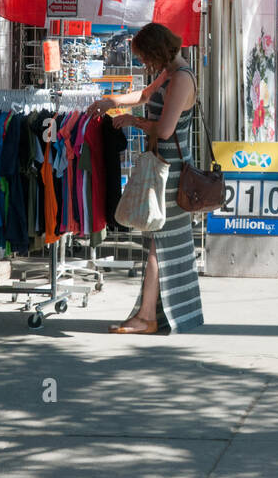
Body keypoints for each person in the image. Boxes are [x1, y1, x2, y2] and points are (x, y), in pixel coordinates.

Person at [86, 22, 204, 335]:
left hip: (171, 169)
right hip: (164, 164)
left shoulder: (181, 78)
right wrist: (112, 102)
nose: (143, 63)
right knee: (156, 239)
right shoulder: (172, 72)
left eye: (144, 57)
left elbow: (165, 129)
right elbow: (144, 93)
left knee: (158, 239)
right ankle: (150, 314)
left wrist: (132, 121)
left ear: (156, 50)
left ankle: (148, 316)